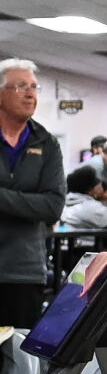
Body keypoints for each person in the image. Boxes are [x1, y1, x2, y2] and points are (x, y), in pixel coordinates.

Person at [0, 59, 65, 327]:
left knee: (19, 350)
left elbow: (53, 206)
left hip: (24, 271)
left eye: (34, 87)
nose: (30, 94)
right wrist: (27, 202)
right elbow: (41, 203)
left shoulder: (47, 143)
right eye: (21, 86)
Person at [58, 165, 107, 229]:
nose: (101, 186)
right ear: (90, 190)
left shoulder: (68, 204)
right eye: (97, 183)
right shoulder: (90, 208)